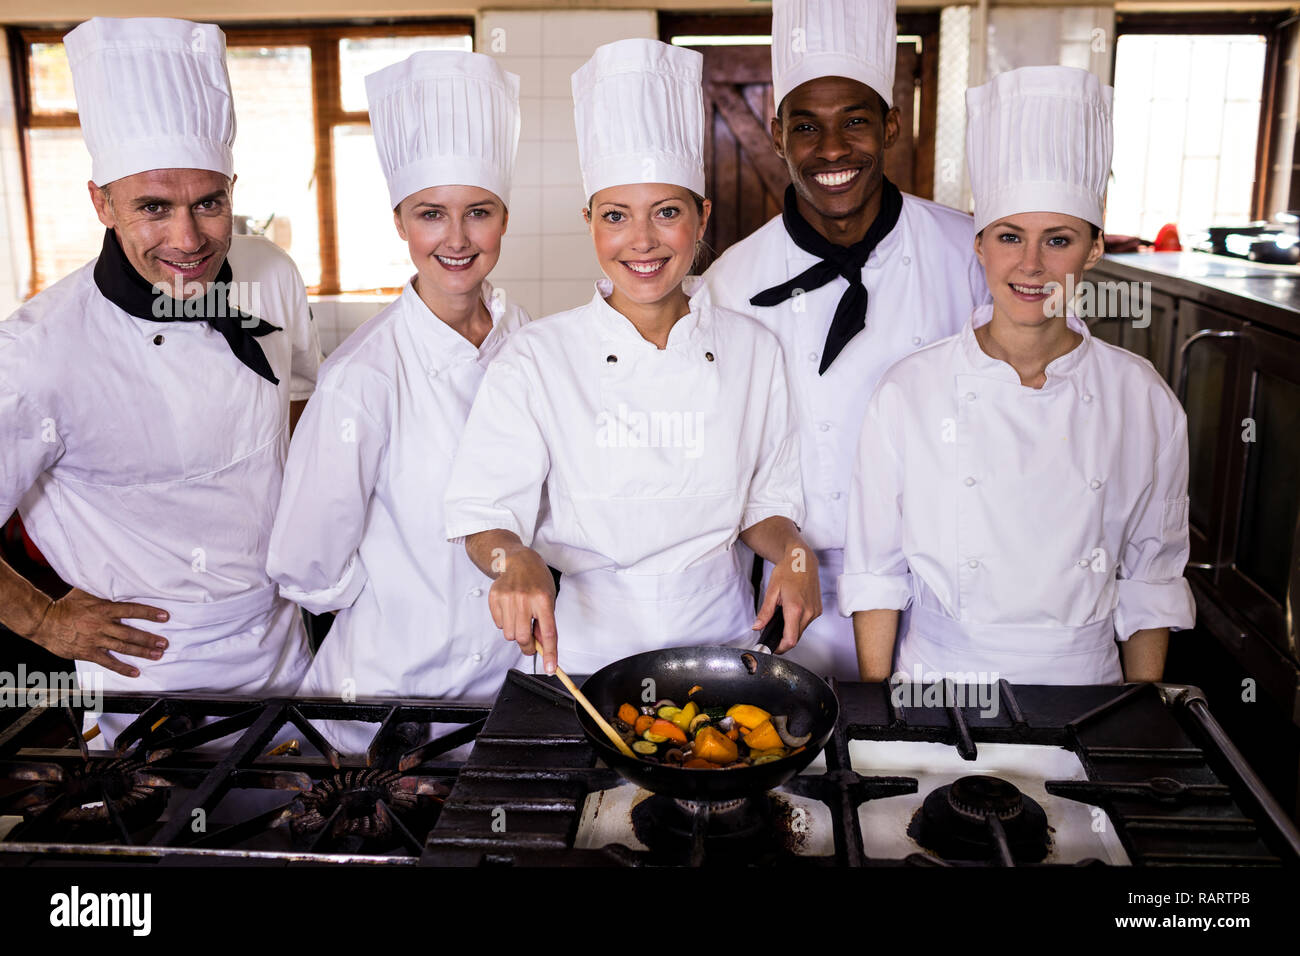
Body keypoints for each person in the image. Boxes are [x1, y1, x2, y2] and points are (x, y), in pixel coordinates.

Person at [444, 38, 819, 677]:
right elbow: (484, 515)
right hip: (583, 658)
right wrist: (513, 558)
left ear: (701, 219)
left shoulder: (753, 350)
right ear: (589, 220)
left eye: (666, 213)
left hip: (724, 650)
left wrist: (793, 555)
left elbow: (766, 505)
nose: (641, 241)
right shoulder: (538, 358)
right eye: (616, 215)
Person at [0, 17, 319, 748]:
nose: (187, 240)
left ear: (232, 190)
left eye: (208, 203)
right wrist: (45, 621)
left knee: (307, 839)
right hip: (148, 671)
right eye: (153, 208)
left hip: (282, 646)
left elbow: (299, 403)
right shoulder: (35, 353)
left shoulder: (271, 273)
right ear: (101, 203)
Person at [840, 66, 1195, 685]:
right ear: (979, 244)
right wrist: (879, 717)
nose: (1030, 265)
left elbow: (1151, 581)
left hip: (1088, 697)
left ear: (1092, 249)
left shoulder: (1143, 399)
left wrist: (1134, 732)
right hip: (938, 691)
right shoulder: (909, 390)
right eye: (1010, 236)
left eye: (1057, 239)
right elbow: (877, 573)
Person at [702, 0, 989, 681]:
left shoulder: (970, 255)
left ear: (891, 124)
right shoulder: (728, 284)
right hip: (792, 597)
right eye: (807, 127)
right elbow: (718, 461)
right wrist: (788, 553)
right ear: (776, 136)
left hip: (948, 595)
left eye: (855, 122)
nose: (832, 150)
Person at [267, 51, 529, 755]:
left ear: (504, 217)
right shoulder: (364, 376)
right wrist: (408, 592)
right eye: (430, 214)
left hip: (506, 693)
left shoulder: (527, 340)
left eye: (478, 212)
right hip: (384, 702)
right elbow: (305, 566)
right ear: (400, 222)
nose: (455, 238)